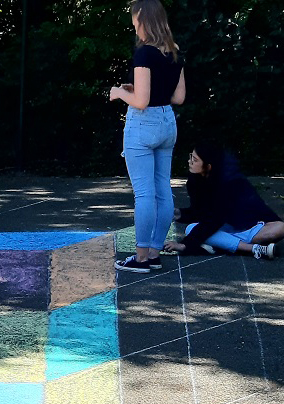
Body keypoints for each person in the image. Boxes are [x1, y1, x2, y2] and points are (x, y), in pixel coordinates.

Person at [109, 0, 186, 273]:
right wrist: (137, 89)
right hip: (167, 123)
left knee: (143, 194)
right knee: (163, 191)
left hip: (143, 125)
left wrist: (120, 92)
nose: (134, 27)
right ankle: (153, 252)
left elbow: (140, 102)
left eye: (135, 22)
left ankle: (141, 258)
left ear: (144, 21)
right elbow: (178, 97)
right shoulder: (173, 51)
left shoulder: (143, 54)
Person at [164, 144, 284, 259]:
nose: (189, 161)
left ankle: (222, 244)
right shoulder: (194, 181)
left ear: (208, 166)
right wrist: (179, 213)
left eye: (195, 160)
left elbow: (214, 220)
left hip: (248, 226)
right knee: (191, 228)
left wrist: (184, 245)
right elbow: (201, 212)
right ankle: (251, 248)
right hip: (226, 227)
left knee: (281, 228)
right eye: (191, 157)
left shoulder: (228, 184)